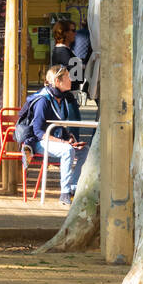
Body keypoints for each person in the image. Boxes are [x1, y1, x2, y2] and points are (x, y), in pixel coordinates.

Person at [29, 64, 89, 207]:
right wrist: (63, 143)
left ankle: (73, 187)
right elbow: (38, 131)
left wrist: (69, 139)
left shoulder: (62, 99)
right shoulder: (43, 100)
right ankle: (64, 192)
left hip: (54, 140)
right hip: (39, 142)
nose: (70, 80)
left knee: (85, 151)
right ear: (57, 82)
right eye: (67, 77)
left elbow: (60, 125)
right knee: (67, 150)